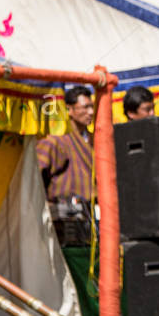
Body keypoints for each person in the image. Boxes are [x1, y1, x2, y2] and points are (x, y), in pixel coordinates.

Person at [37, 85, 95, 246]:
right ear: (69, 109)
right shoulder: (55, 140)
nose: (91, 112)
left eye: (92, 107)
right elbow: (36, 176)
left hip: (90, 215)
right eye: (85, 107)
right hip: (62, 217)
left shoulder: (95, 139)